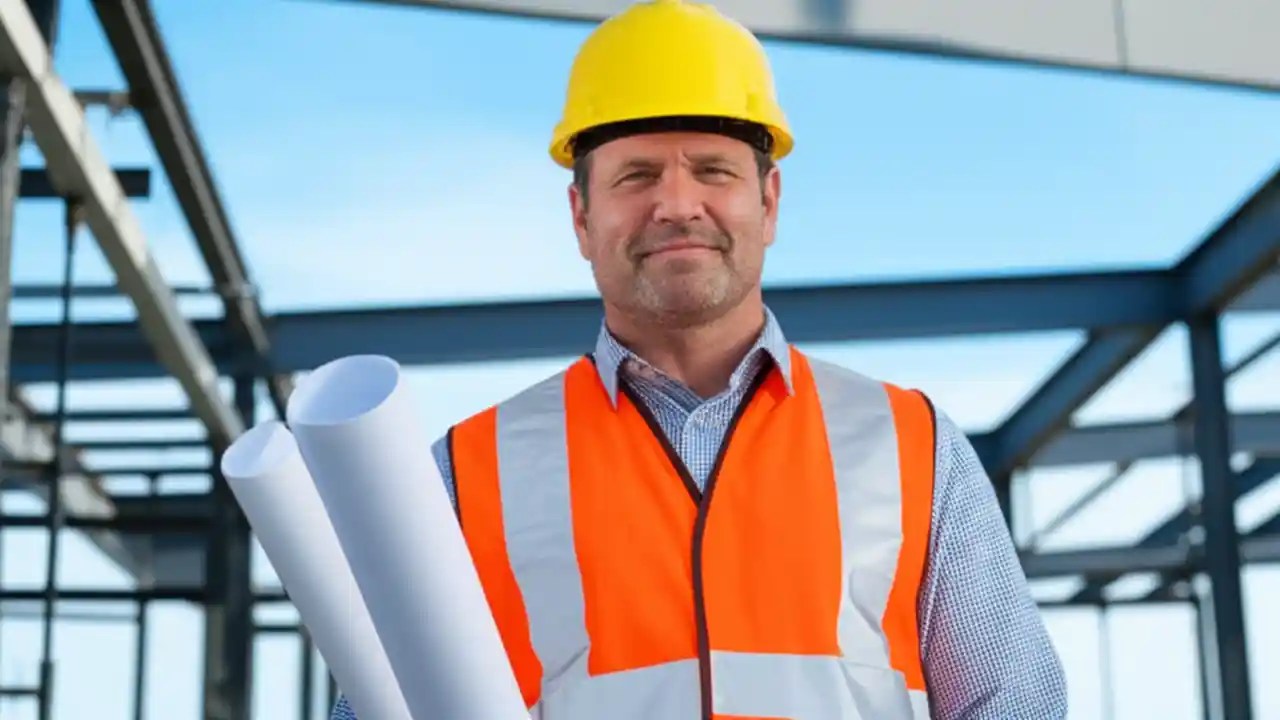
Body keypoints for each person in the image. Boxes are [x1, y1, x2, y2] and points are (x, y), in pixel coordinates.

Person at [332, 0, 1067, 717]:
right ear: (581, 217)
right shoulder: (464, 478)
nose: (677, 204)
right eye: (636, 175)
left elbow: (1015, 706)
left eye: (712, 170)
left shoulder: (914, 450)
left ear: (769, 202)